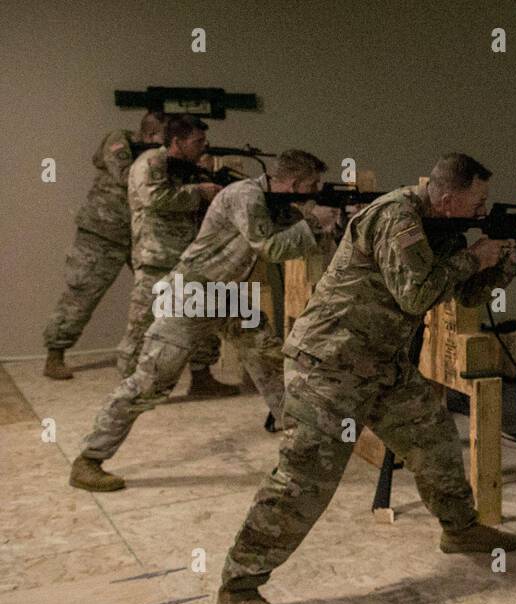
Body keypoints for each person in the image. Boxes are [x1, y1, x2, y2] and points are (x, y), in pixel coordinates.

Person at [215, 152, 516, 604]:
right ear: (448, 200)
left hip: (381, 364)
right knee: (304, 481)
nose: (482, 210)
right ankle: (237, 588)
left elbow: (468, 294)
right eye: (478, 201)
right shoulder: (396, 217)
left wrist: (506, 262)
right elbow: (416, 294)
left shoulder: (439, 225)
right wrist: (476, 256)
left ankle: (459, 528)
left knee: (435, 444)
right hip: (329, 365)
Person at [69, 149, 340, 493]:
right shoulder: (246, 195)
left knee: (270, 361)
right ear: (296, 182)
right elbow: (270, 247)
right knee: (151, 381)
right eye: (311, 185)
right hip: (191, 294)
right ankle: (89, 459)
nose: (314, 192)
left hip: (225, 297)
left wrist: (337, 223)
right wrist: (316, 221)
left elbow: (299, 244)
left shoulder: (278, 205)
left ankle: (302, 452)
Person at [118, 113, 235, 396]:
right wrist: (200, 192)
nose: (204, 146)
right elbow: (155, 198)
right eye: (198, 141)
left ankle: (202, 377)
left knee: (199, 319)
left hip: (188, 257)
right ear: (177, 142)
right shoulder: (150, 162)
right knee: (143, 322)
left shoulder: (187, 167)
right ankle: (129, 386)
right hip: (156, 256)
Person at [43, 111, 165, 379]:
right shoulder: (119, 140)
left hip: (139, 234)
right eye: (161, 138)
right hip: (102, 231)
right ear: (150, 135)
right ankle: (55, 355)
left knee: (166, 291)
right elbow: (125, 176)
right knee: (82, 293)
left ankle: (174, 358)